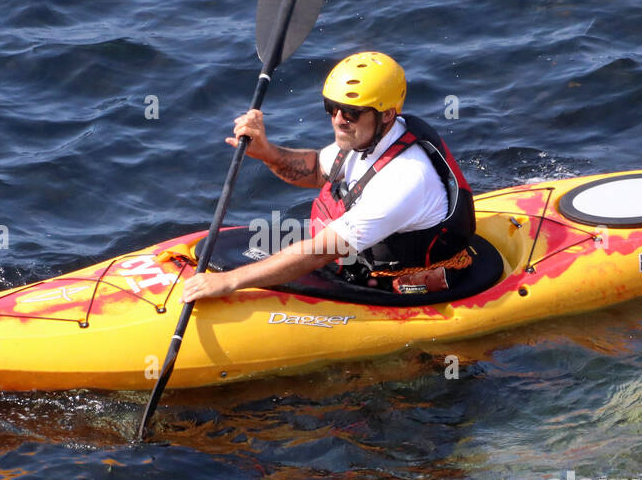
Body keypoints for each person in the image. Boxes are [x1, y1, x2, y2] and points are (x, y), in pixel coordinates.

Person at [181, 51, 475, 303]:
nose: (337, 120)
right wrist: (266, 152)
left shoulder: (404, 179)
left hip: (402, 286)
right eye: (331, 108)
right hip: (355, 261)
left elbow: (320, 252)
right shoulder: (365, 137)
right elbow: (316, 171)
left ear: (387, 114)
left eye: (350, 112)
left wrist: (229, 282)